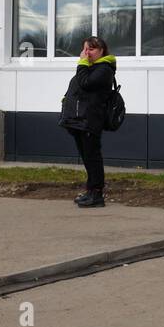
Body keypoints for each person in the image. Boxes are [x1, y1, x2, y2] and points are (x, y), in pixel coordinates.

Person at [58, 36, 116, 208]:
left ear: (102, 51)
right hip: (78, 120)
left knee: (93, 157)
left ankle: (97, 194)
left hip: (90, 120)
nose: (87, 53)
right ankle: (90, 190)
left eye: (91, 49)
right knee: (86, 157)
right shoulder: (89, 67)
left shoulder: (104, 69)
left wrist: (82, 64)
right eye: (85, 49)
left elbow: (85, 84)